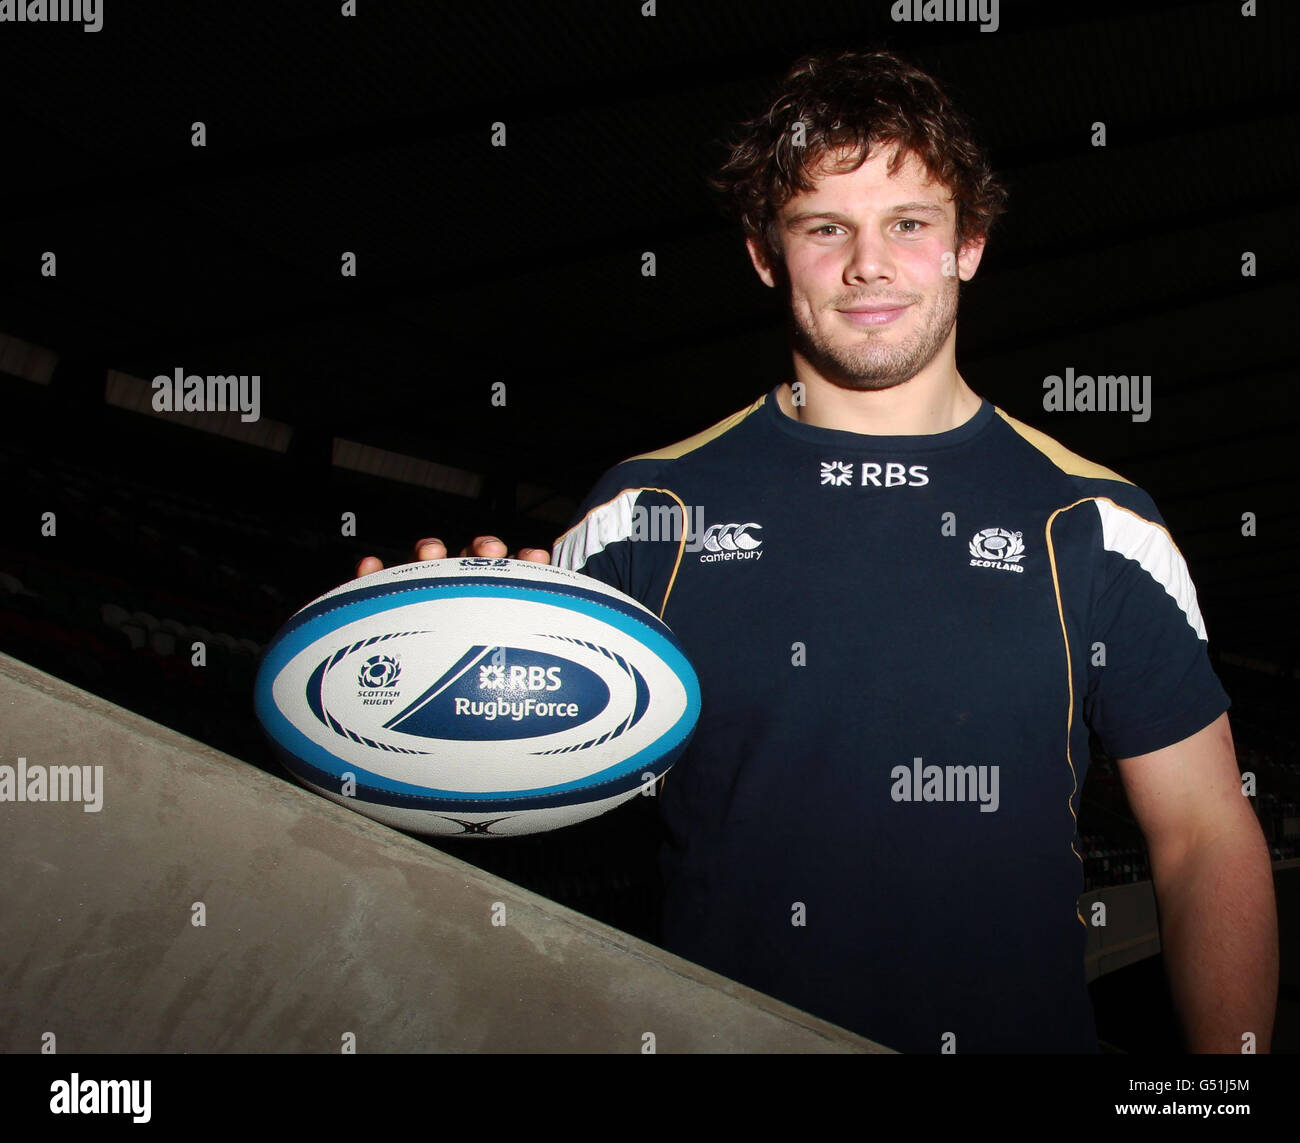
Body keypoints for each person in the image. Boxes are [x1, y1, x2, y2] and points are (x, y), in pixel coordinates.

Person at [356, 49, 1277, 1053]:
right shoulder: (644, 509)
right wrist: (414, 670)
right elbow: (496, 794)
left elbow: (1201, 838)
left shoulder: (1097, 522)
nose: (868, 265)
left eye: (909, 225)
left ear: (969, 243)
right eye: (823, 228)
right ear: (765, 253)